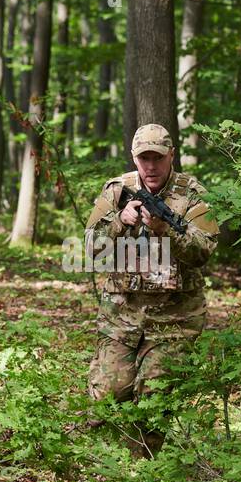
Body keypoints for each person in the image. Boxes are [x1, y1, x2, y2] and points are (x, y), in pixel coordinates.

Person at [85, 123, 219, 455]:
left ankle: (141, 469)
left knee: (154, 399)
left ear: (171, 155)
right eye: (144, 158)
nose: (151, 166)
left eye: (158, 158)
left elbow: (203, 252)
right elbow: (90, 248)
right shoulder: (117, 191)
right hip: (122, 313)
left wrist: (167, 230)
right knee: (107, 394)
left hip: (175, 318)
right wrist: (120, 222)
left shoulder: (192, 194)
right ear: (134, 158)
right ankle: (100, 461)